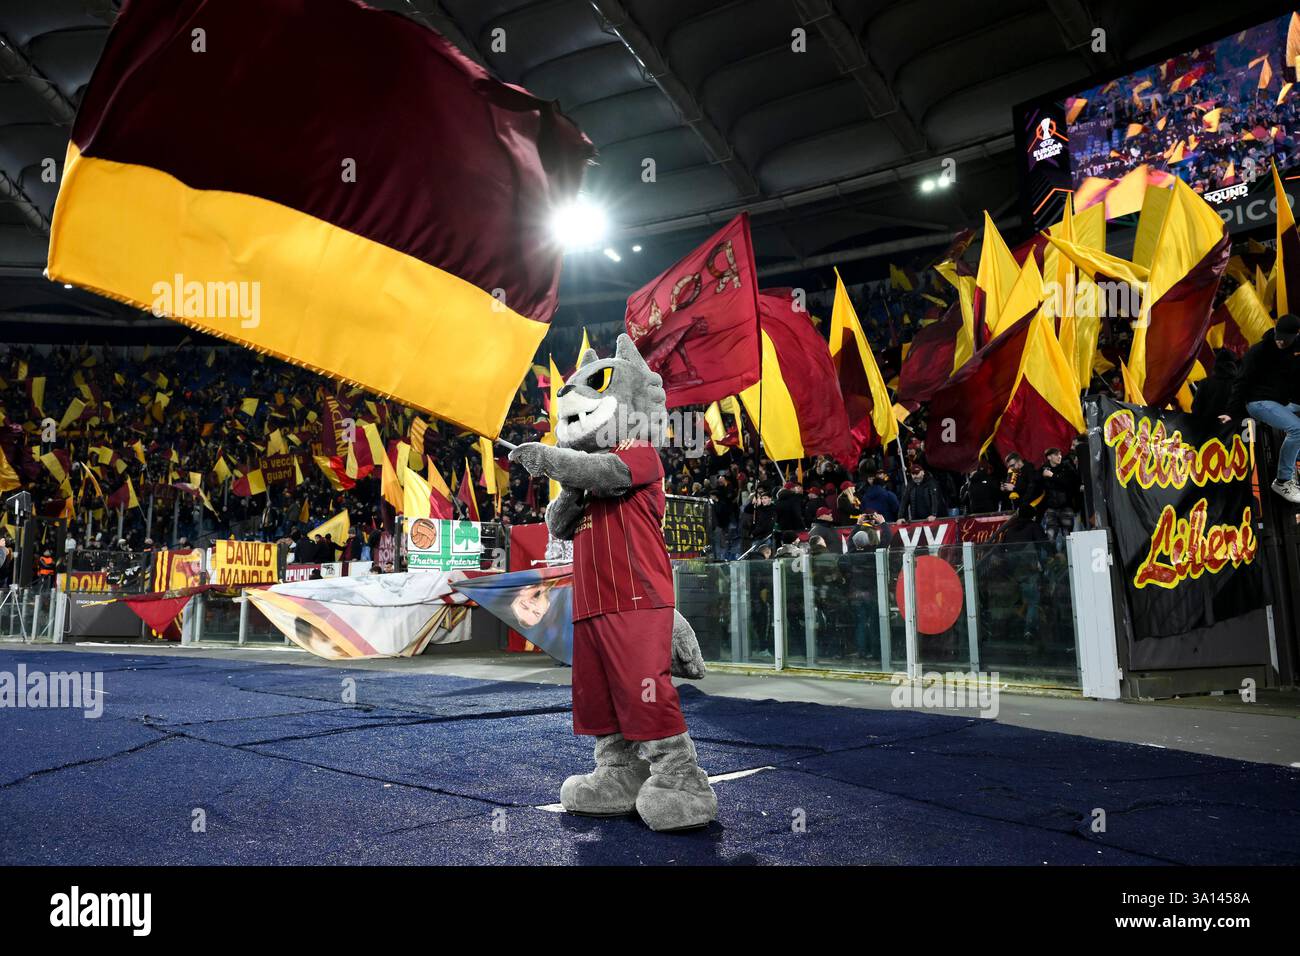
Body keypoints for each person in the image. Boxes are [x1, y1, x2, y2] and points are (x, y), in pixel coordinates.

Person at [1225, 313, 1300, 502]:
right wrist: (1231, 413)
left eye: (1285, 341)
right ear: (1275, 330)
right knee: (1297, 429)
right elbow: (1241, 382)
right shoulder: (1258, 351)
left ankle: (1292, 467)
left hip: (1282, 401)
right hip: (1258, 402)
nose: (1280, 343)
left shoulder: (1297, 348)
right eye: (1279, 338)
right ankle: (1283, 480)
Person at [1039, 448, 1078, 543]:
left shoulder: (1066, 467)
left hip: (1066, 507)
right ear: (1049, 457)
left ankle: (1069, 557)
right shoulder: (1043, 470)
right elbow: (1037, 486)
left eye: (1060, 454)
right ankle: (1052, 557)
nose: (1059, 456)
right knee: (1050, 536)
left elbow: (1069, 483)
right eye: (1056, 455)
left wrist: (1053, 476)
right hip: (1050, 508)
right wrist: (1041, 476)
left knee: (1068, 537)